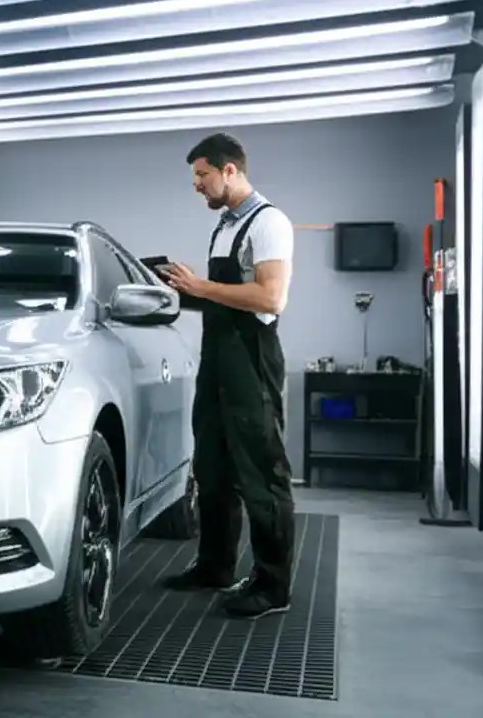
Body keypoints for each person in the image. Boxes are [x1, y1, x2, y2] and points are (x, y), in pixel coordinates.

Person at [156, 132, 296, 620]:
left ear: (229, 170)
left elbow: (271, 297)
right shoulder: (225, 225)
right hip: (217, 359)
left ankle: (272, 586)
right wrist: (180, 290)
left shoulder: (268, 221)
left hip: (251, 362)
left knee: (261, 473)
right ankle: (214, 566)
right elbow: (223, 296)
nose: (197, 184)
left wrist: (203, 286)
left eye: (202, 175)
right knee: (212, 468)